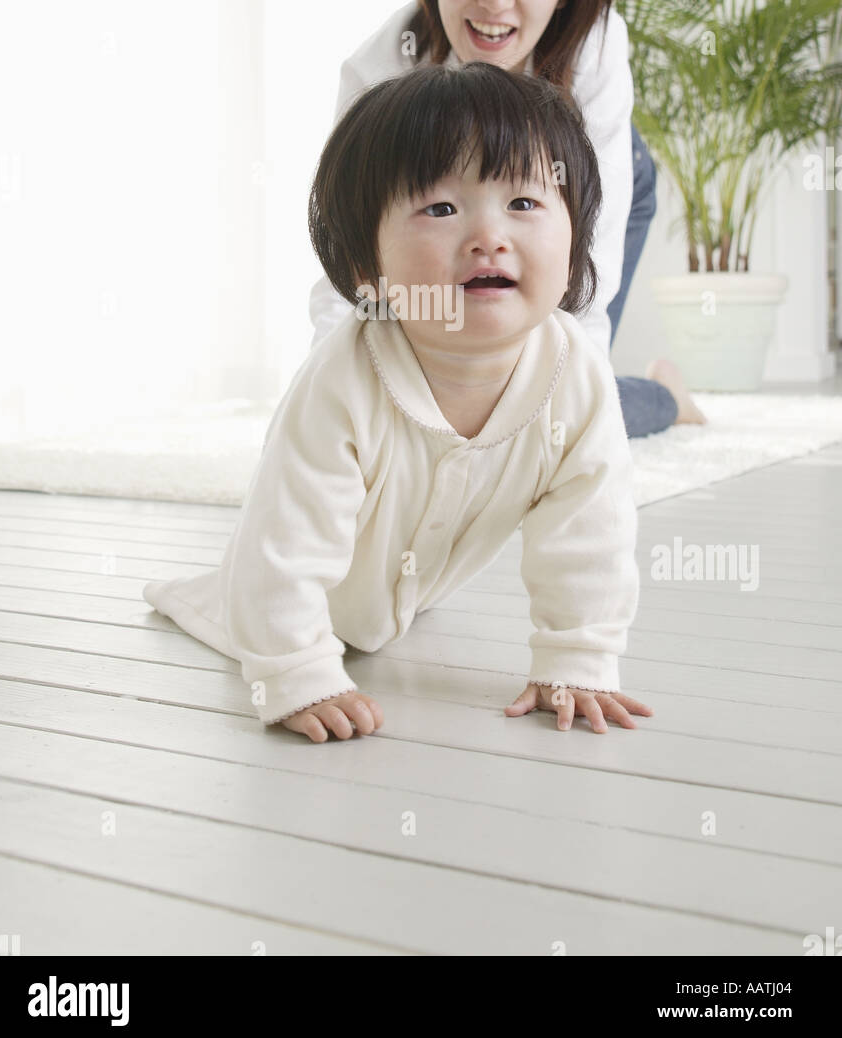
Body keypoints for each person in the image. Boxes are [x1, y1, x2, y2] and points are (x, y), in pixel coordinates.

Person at [144, 63, 654, 743]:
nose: (489, 237)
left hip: (405, 597)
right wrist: (296, 672)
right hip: (281, 600)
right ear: (365, 266)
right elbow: (284, 547)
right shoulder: (345, 380)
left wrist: (578, 656)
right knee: (241, 593)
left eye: (525, 204)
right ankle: (210, 602)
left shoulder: (576, 372)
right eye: (440, 208)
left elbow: (592, 528)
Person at [309, 0, 706, 437]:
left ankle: (663, 398)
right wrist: (324, 401)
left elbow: (585, 286)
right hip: (471, 222)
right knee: (452, 395)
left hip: (590, 199)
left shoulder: (593, 52)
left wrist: (580, 415)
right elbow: (349, 256)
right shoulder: (383, 73)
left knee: (554, 400)